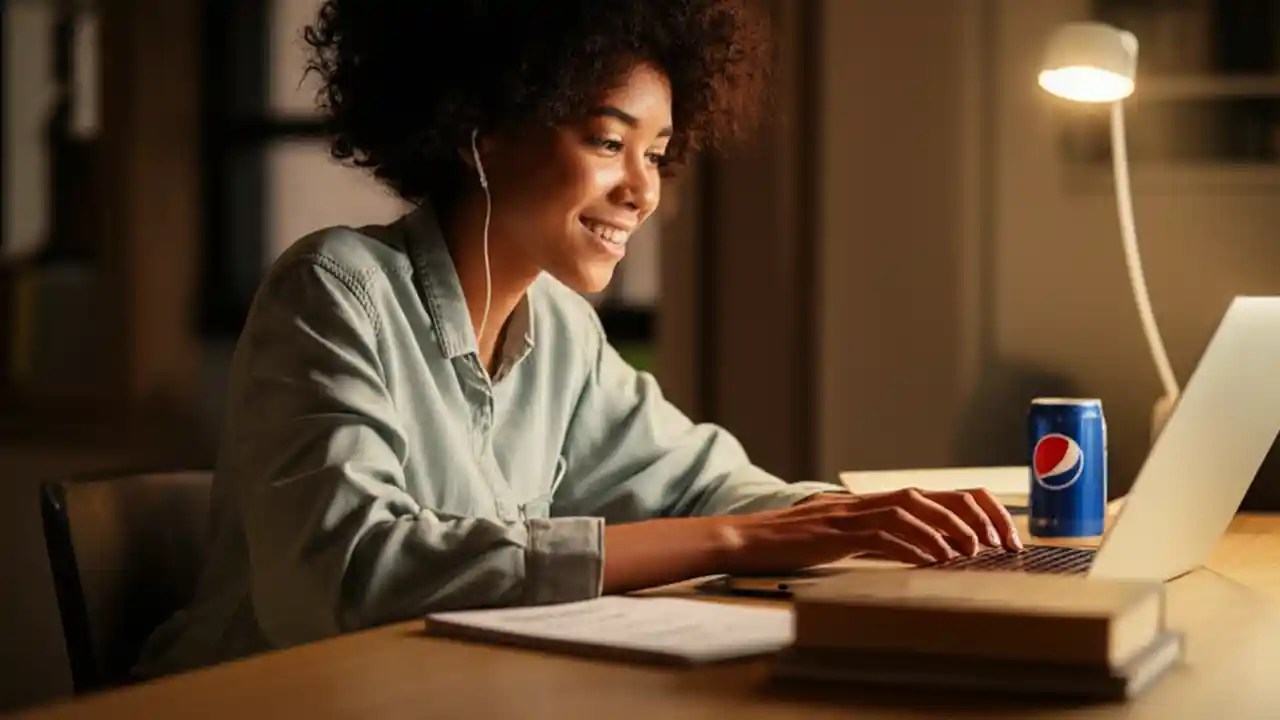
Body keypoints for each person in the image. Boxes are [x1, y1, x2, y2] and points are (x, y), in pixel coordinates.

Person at [134, 0, 1021, 678]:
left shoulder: (559, 328)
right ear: (481, 126)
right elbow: (348, 578)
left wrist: (877, 525)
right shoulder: (336, 289)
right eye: (609, 141)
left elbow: (707, 483)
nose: (644, 190)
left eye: (659, 152)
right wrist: (734, 542)